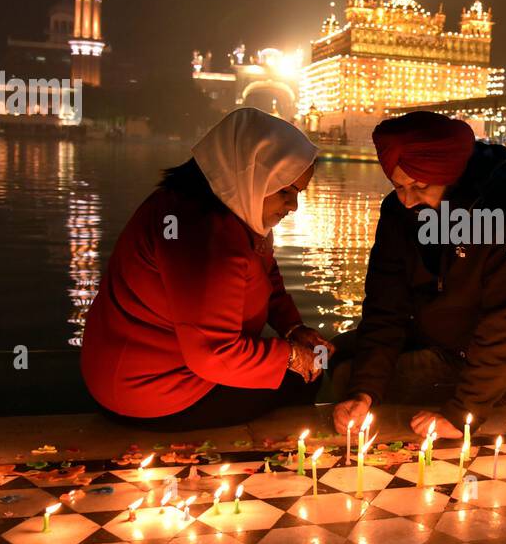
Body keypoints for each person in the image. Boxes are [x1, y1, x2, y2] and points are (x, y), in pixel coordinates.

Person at [81, 108, 333, 431]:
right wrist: (292, 357)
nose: (293, 206)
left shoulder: (231, 209)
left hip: (137, 375)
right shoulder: (208, 238)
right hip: (151, 391)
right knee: (306, 379)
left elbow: (265, 276)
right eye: (285, 191)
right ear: (250, 175)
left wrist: (293, 329)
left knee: (301, 367)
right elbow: (214, 354)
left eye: (298, 193)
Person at [329, 111, 506, 439]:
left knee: (347, 373)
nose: (406, 201)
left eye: (419, 186)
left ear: (449, 174)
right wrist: (364, 392)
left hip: (484, 363)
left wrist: (463, 413)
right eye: (398, 186)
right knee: (338, 357)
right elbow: (384, 308)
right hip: (428, 335)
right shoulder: (398, 212)